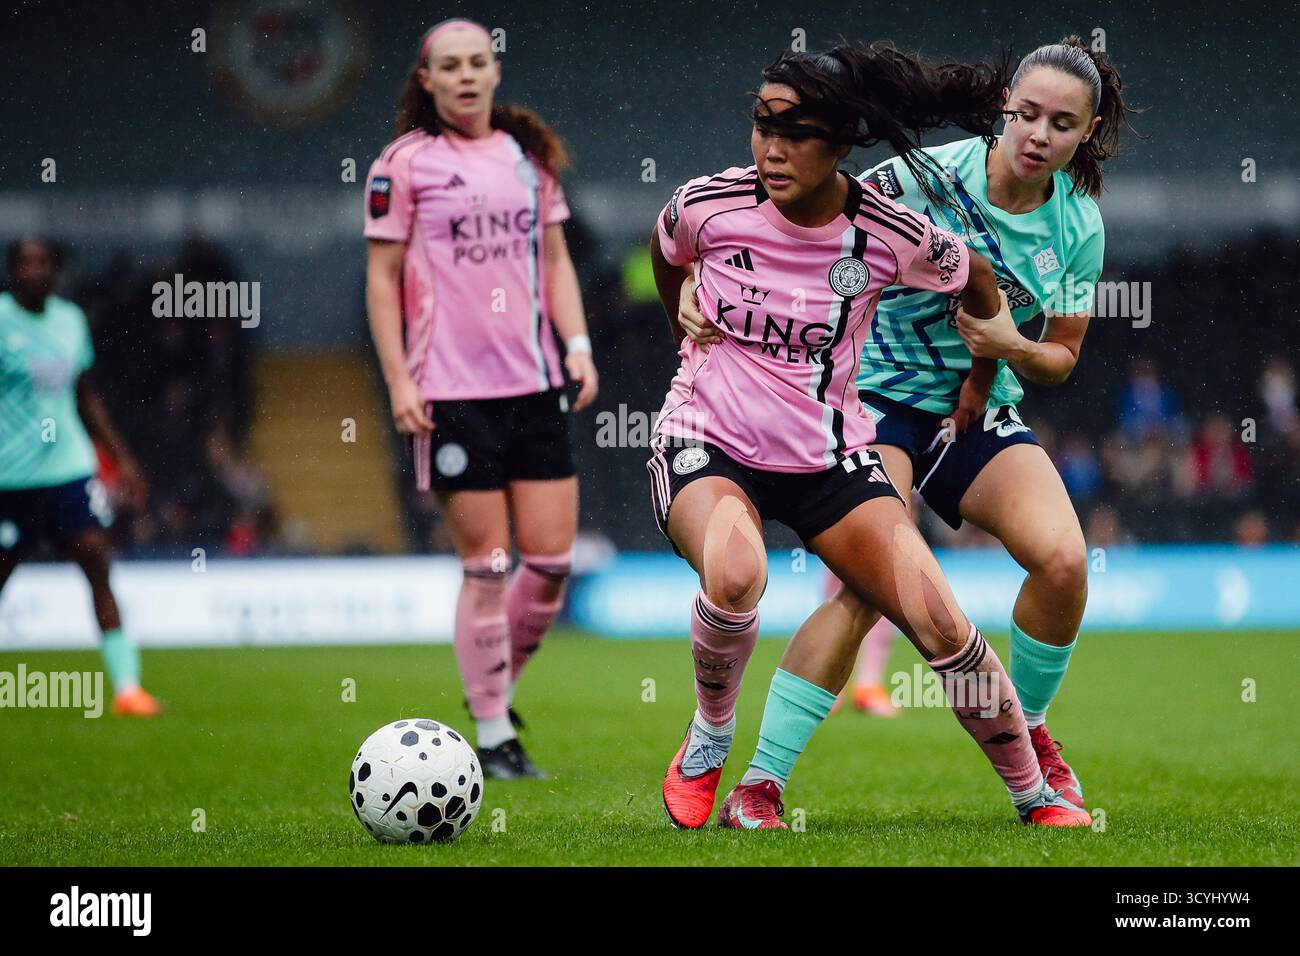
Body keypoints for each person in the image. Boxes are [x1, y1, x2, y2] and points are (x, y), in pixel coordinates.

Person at [679, 37, 1131, 816]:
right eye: (1025, 114)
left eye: (1061, 124)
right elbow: (790, 204)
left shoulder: (1078, 225)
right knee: (870, 588)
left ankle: (1029, 727)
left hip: (974, 412)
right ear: (1002, 110)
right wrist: (695, 278)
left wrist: (1008, 349)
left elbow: (1060, 357)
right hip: (873, 403)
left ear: (1085, 133)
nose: (1037, 135)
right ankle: (761, 783)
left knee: (1063, 560)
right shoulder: (922, 178)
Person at [363, 19, 598, 779]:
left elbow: (556, 261)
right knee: (489, 568)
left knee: (554, 561)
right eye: (449, 67)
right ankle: (494, 732)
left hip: (533, 386)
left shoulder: (529, 162)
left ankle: (492, 691)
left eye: (477, 63)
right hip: (451, 394)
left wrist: (578, 346)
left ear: (495, 72)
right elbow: (382, 280)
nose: (466, 76)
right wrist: (400, 378)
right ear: (425, 80)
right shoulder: (403, 166)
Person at [0, 237, 161, 716]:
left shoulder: (70, 321)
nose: (35, 270)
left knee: (95, 558)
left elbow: (85, 396)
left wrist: (122, 458)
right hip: (10, 476)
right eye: (26, 263)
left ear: (55, 269)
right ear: (12, 271)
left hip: (67, 468)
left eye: (43, 262)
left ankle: (128, 688)